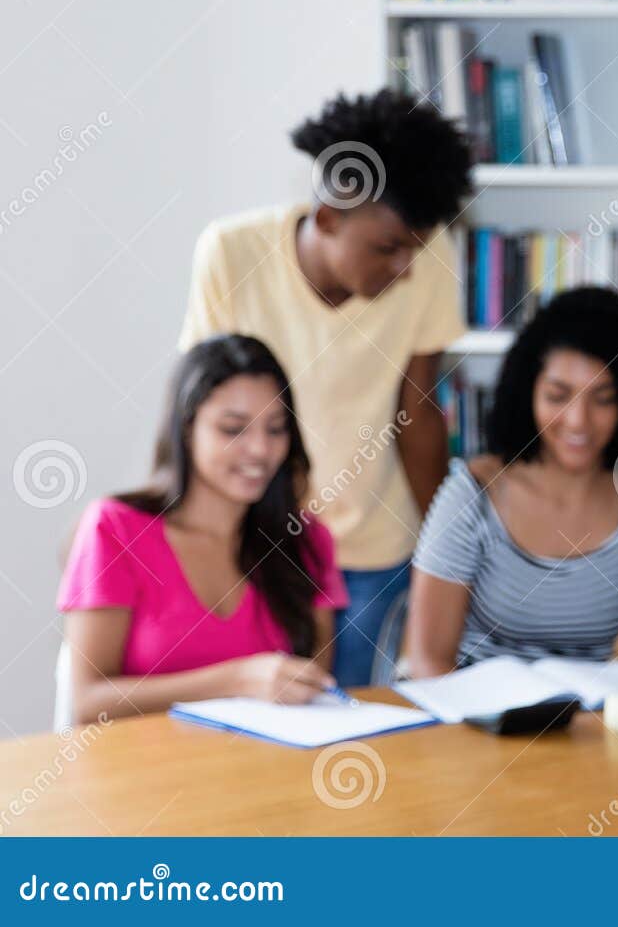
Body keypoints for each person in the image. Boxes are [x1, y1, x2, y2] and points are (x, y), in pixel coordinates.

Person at [178, 89, 471, 687]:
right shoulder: (231, 254)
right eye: (387, 249)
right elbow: (201, 410)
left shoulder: (429, 255)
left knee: (350, 730)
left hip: (374, 549)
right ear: (329, 218)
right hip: (257, 548)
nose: (404, 269)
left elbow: (417, 412)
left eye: (413, 251)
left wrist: (452, 547)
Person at [58, 335, 347, 723]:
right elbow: (88, 703)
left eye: (276, 429)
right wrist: (237, 679)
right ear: (186, 429)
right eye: (233, 429)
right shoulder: (115, 529)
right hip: (140, 774)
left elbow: (312, 692)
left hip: (265, 772)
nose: (261, 450)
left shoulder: (307, 540)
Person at [404, 287, 618, 675]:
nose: (578, 421)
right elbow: (429, 662)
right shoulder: (472, 495)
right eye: (558, 396)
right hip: (473, 718)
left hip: (591, 723)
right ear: (527, 393)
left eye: (603, 399)